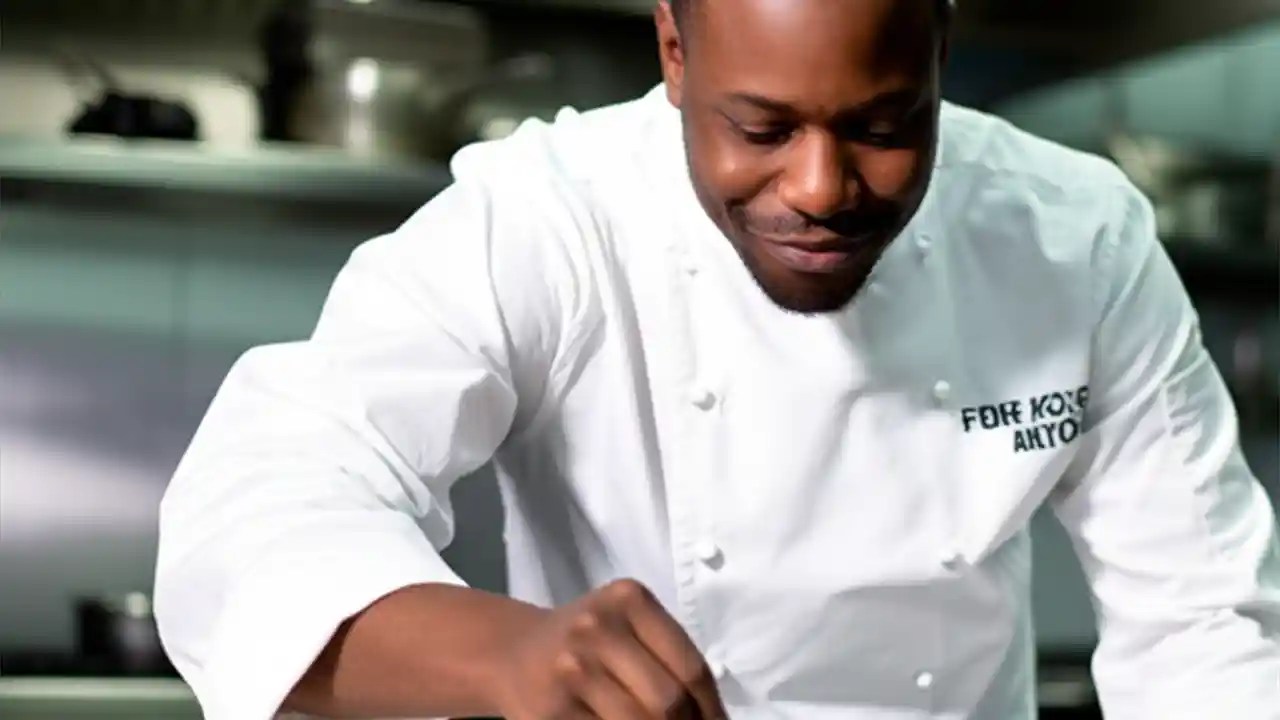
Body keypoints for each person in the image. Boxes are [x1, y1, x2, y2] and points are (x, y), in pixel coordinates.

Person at [154, 0, 1280, 718]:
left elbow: (1201, 626)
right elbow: (264, 503)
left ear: (939, 47)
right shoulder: (554, 219)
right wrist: (503, 654)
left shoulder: (1074, 237)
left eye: (885, 128)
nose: (820, 188)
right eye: (762, 128)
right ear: (674, 51)